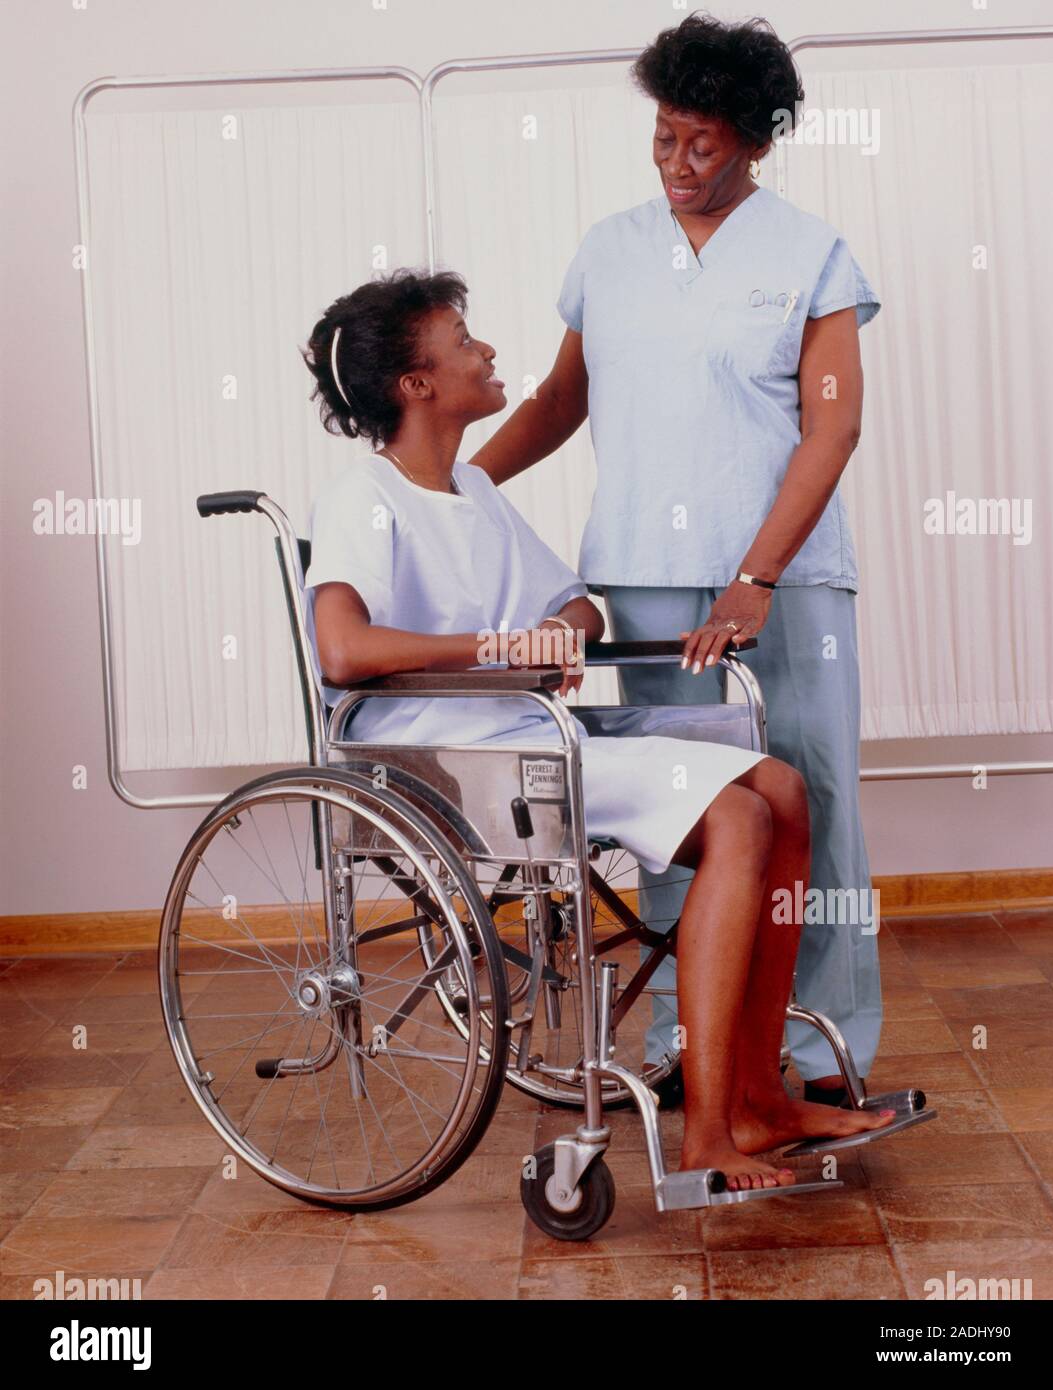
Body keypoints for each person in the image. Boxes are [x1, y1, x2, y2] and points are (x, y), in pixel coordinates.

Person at [300, 269, 895, 1191]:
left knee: (775, 784)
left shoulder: (473, 491)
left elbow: (577, 606)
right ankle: (708, 1131)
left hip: (533, 736)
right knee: (738, 819)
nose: (487, 351)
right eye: (462, 340)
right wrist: (498, 648)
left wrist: (556, 635)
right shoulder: (362, 499)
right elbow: (341, 650)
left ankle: (755, 1098)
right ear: (414, 384)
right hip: (458, 759)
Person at [470, 13, 883, 1103]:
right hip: (642, 578)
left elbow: (829, 427)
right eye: (663, 139)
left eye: (701, 143)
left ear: (752, 139)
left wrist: (753, 578)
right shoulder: (609, 250)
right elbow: (560, 399)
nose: (678, 164)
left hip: (783, 584)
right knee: (676, 814)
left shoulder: (809, 253)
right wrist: (456, 485)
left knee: (813, 809)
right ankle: (680, 1039)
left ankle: (814, 1049)